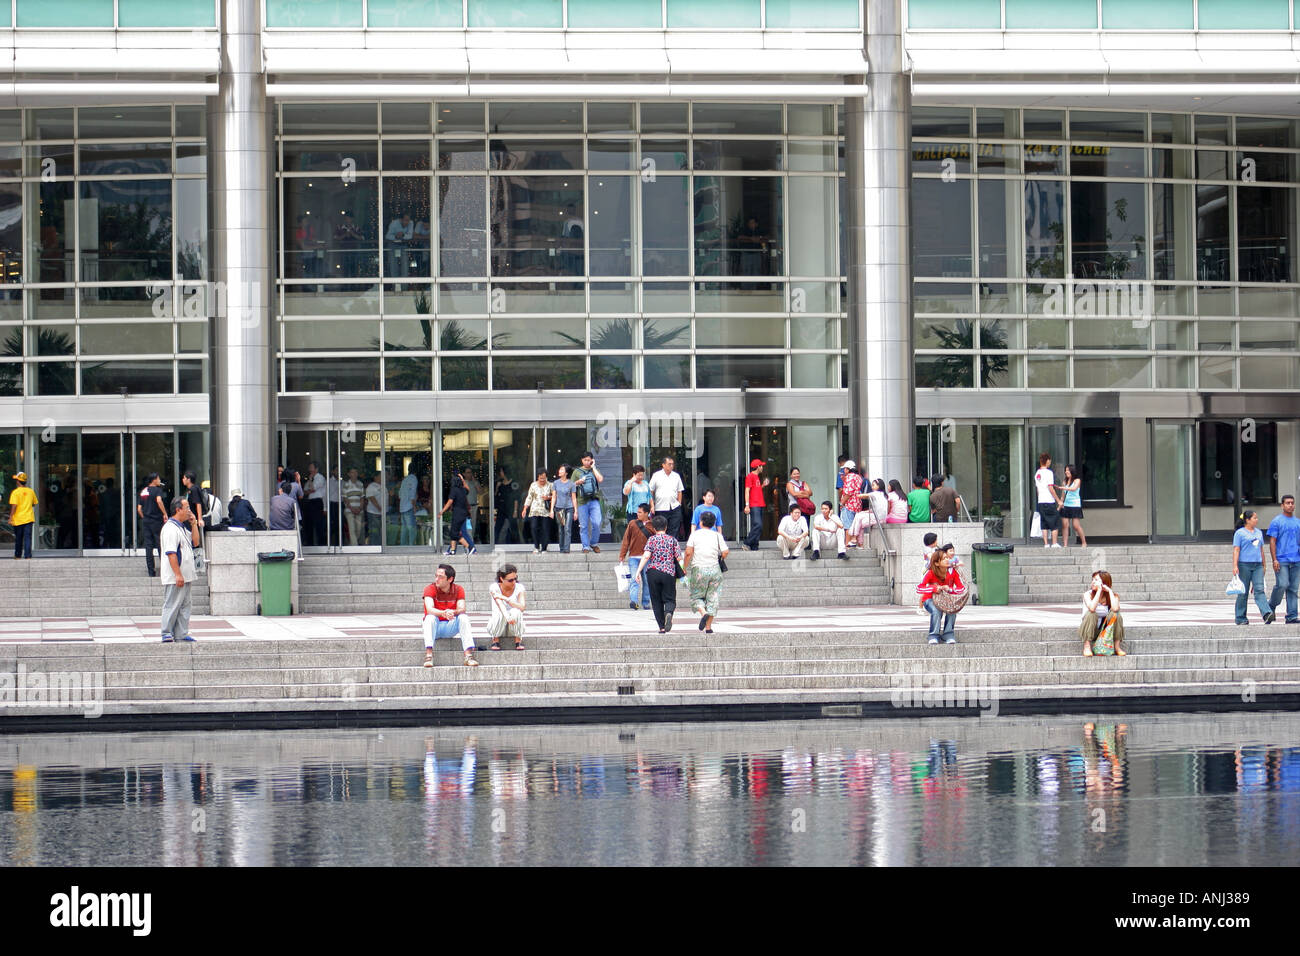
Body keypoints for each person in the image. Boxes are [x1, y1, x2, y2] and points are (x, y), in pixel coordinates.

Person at [159, 496, 201, 643]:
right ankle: (166, 632)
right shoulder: (170, 528)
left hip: (187, 574)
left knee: (185, 605)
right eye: (187, 507)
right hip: (176, 575)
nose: (189, 510)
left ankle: (181, 633)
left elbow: (195, 542)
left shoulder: (181, 527)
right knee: (172, 603)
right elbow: (171, 553)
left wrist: (194, 523)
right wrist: (177, 574)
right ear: (178, 509)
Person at [421, 564, 479, 667]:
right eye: (436, 576)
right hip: (435, 626)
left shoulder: (458, 589)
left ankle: (468, 656)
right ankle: (429, 656)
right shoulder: (429, 589)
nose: (437, 579)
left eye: (441, 577)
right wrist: (443, 613)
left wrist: (452, 612)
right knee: (429, 618)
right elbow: (429, 609)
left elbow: (462, 608)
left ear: (450, 579)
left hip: (450, 626)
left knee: (463, 617)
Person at [635, 514, 683, 633]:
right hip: (668, 572)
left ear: (654, 528)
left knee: (656, 601)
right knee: (670, 598)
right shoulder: (672, 540)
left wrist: (638, 571)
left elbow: (646, 556)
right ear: (666, 527)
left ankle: (661, 627)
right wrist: (684, 572)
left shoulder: (651, 540)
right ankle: (668, 613)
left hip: (653, 573)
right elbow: (679, 558)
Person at [684, 510, 728, 634]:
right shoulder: (717, 535)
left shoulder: (695, 535)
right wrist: (720, 557)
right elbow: (725, 552)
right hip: (715, 570)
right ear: (714, 524)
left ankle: (703, 612)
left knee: (696, 595)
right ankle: (708, 628)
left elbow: (688, 553)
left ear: (701, 522)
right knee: (713, 598)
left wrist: (684, 568)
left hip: (699, 570)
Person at [1234, 510, 1276, 626]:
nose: (1257, 520)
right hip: (1244, 565)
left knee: (1259, 590)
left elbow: (1261, 549)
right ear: (1247, 520)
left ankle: (1267, 613)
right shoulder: (1240, 533)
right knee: (1243, 592)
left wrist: (1264, 565)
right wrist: (1235, 565)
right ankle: (1240, 618)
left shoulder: (1258, 532)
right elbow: (1236, 550)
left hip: (1257, 565)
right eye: (1254, 518)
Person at [916, 549, 962, 645]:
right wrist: (934, 588)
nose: (947, 560)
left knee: (952, 610)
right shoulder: (931, 573)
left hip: (946, 599)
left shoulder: (953, 572)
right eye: (944, 558)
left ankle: (948, 634)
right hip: (929, 599)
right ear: (937, 563)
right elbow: (919, 588)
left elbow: (961, 588)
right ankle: (933, 635)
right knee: (937, 611)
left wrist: (949, 589)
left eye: (947, 558)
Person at [1267, 494, 1300, 624]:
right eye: (1287, 503)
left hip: (1296, 560)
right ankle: (1270, 607)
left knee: (1293, 588)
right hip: (1281, 559)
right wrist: (1274, 559)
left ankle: (1291, 616)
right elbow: (1272, 541)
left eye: (1292, 503)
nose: (1290, 505)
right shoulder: (1276, 521)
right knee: (1282, 584)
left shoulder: (1298, 522)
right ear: (1282, 505)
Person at [618, 502, 654, 610]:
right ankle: (634, 601)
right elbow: (626, 540)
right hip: (633, 557)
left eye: (640, 512)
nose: (637, 514)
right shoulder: (632, 524)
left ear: (647, 513)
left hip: (647, 558)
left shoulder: (652, 525)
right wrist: (622, 554)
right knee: (634, 579)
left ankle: (646, 603)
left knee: (647, 581)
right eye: (637, 512)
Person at [1080, 570, 1125, 656]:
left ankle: (1117, 647)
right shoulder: (1087, 595)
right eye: (1092, 579)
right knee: (1091, 613)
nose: (1093, 582)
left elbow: (1115, 608)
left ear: (1104, 583)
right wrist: (1099, 591)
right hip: (1091, 630)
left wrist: (1110, 591)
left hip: (1106, 632)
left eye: (1096, 580)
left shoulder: (1113, 596)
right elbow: (1092, 608)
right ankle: (1087, 647)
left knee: (1116, 615)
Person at [487, 563, 527, 650]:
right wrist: (507, 616)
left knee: (516, 611)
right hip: (498, 625)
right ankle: (495, 640)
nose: (514, 582)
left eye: (515, 579)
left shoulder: (519, 588)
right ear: (501, 579)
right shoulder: (494, 587)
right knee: (500, 612)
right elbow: (500, 605)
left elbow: (522, 607)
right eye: (510, 580)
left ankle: (518, 640)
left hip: (514, 625)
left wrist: (506, 599)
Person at [571, 452, 604, 553]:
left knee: (597, 523)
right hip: (582, 501)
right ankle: (585, 546)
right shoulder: (576, 472)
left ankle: (593, 543)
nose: (587, 462)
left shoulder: (594, 470)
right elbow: (570, 486)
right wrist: (578, 482)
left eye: (589, 460)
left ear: (592, 460)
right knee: (584, 525)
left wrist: (593, 467)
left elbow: (600, 479)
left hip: (594, 500)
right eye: (585, 460)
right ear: (582, 460)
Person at [137, 473, 168, 576]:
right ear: (154, 480)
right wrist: (164, 513)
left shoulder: (144, 491)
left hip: (146, 521)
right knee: (160, 544)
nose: (159, 480)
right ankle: (164, 568)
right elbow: (159, 501)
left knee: (148, 546)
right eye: (158, 478)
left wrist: (144, 517)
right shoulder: (157, 490)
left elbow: (139, 509)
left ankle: (151, 571)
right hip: (156, 520)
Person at [440, 471, 476, 555]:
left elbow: (450, 501)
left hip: (457, 514)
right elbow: (468, 489)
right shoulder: (463, 490)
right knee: (457, 532)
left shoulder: (454, 490)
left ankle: (470, 548)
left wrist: (442, 511)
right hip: (464, 514)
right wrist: (463, 480)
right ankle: (452, 550)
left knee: (455, 533)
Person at [648, 456, 685, 540]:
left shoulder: (676, 476)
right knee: (661, 529)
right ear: (663, 465)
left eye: (672, 464)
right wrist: (652, 505)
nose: (671, 466)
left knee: (674, 529)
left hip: (674, 507)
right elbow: (650, 491)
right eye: (669, 464)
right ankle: (662, 547)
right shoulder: (656, 475)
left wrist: (679, 503)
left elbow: (680, 491)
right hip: (660, 507)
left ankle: (672, 548)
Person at [522, 468, 554, 554]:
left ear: (546, 477)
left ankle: (544, 548)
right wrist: (525, 508)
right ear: (538, 477)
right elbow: (529, 497)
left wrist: (548, 497)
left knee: (545, 529)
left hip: (545, 511)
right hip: (534, 510)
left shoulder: (550, 485)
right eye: (540, 478)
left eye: (544, 478)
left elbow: (555, 496)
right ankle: (536, 546)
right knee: (534, 527)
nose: (542, 480)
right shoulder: (533, 485)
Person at [7, 471, 37, 559]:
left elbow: (14, 506)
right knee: (28, 538)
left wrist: (11, 517)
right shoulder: (31, 491)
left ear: (18, 481)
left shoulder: (15, 492)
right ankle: (28, 556)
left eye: (16, 480)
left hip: (18, 519)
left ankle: (18, 555)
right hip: (28, 518)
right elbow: (34, 503)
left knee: (19, 538)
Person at [1034, 452, 1062, 548]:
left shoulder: (1037, 473)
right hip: (1049, 501)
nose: (1050, 462)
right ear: (1048, 461)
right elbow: (1051, 488)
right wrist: (1058, 500)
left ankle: (1046, 544)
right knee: (1055, 521)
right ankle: (1054, 543)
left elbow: (1038, 489)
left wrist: (1039, 499)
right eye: (1050, 461)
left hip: (1041, 501)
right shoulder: (1049, 473)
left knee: (1044, 522)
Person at [1057, 464, 1086, 548]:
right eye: (1066, 470)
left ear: (1072, 471)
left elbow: (1074, 489)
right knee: (1065, 525)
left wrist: (1063, 488)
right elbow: (1062, 496)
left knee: (1076, 526)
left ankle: (1084, 542)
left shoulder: (1077, 480)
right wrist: (1059, 506)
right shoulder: (1064, 481)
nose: (1066, 472)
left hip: (1075, 505)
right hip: (1065, 505)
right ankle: (1065, 545)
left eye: (1068, 470)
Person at [743, 458, 768, 551]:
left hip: (760, 504)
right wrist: (747, 505)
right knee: (758, 525)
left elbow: (755, 490)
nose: (762, 467)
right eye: (761, 466)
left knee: (757, 525)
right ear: (758, 467)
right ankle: (747, 542)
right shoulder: (750, 476)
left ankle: (754, 545)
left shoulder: (756, 477)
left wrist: (763, 486)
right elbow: (747, 491)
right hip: (754, 505)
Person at [838, 461, 863, 543]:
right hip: (857, 504)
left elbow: (848, 493)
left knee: (848, 526)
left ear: (847, 469)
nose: (844, 471)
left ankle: (847, 546)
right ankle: (857, 544)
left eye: (844, 469)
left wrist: (841, 503)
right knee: (855, 526)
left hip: (849, 505)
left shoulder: (849, 477)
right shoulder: (858, 477)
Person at [552, 464, 575, 553]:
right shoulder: (556, 483)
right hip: (559, 508)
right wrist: (551, 510)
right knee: (560, 529)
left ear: (566, 473)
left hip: (569, 508)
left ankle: (566, 548)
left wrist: (576, 511)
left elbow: (573, 498)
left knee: (567, 528)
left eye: (562, 470)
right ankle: (561, 548)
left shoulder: (571, 483)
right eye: (560, 469)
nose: (559, 471)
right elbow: (554, 496)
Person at [341, 467, 366, 546]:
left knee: (358, 530)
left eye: (356, 472)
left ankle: (351, 545)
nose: (354, 474)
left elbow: (362, 497)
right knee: (352, 529)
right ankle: (355, 547)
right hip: (349, 511)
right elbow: (345, 499)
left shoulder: (360, 484)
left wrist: (359, 508)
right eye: (352, 472)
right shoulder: (346, 485)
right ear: (349, 474)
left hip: (359, 510)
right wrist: (352, 509)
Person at [398, 462, 419, 546]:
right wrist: (414, 506)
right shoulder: (414, 479)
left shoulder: (405, 479)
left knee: (404, 529)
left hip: (402, 506)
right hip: (409, 506)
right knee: (412, 529)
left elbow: (399, 494)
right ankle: (411, 546)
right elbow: (412, 494)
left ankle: (403, 546)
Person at [365, 472, 386, 545]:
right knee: (374, 531)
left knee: (381, 532)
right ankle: (373, 547)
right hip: (374, 513)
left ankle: (380, 547)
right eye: (380, 476)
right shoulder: (371, 486)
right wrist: (378, 507)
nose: (383, 477)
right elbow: (371, 497)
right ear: (375, 477)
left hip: (382, 513)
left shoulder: (383, 486)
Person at [328, 467, 341, 545]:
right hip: (332, 504)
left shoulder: (343, 481)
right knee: (333, 525)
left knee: (340, 525)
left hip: (341, 504)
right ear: (332, 471)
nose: (338, 472)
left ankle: (340, 543)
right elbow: (326, 495)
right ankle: (332, 544)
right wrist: (326, 508)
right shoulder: (329, 481)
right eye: (336, 470)